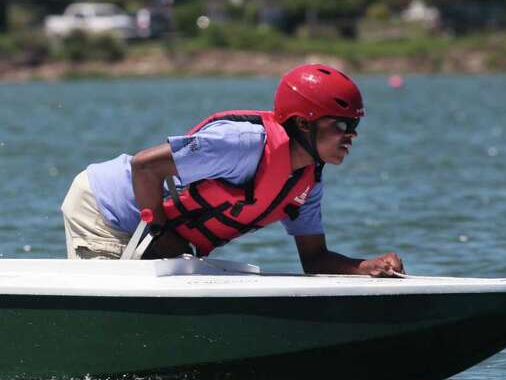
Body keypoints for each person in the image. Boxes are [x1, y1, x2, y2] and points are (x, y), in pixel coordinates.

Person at [60, 63, 404, 277]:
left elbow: (315, 259)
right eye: (341, 125)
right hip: (105, 209)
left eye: (355, 125)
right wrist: (160, 233)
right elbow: (145, 166)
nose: (352, 136)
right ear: (303, 124)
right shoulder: (241, 143)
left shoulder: (306, 184)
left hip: (150, 228)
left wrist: (365, 267)